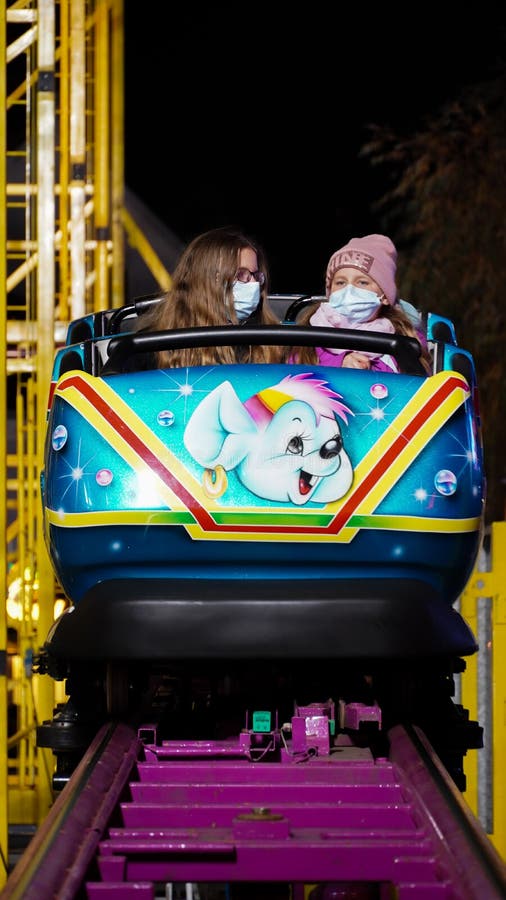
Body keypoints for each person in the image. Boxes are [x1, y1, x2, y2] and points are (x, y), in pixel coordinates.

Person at [132, 226, 281, 368]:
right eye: (241, 274)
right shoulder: (150, 346)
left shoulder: (272, 341)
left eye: (256, 275)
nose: (254, 284)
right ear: (207, 280)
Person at [291, 234, 432, 374]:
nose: (349, 290)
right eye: (340, 282)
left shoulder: (405, 337)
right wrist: (338, 364)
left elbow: (416, 382)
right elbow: (292, 375)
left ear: (384, 296)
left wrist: (368, 370)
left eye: (362, 282)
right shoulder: (308, 335)